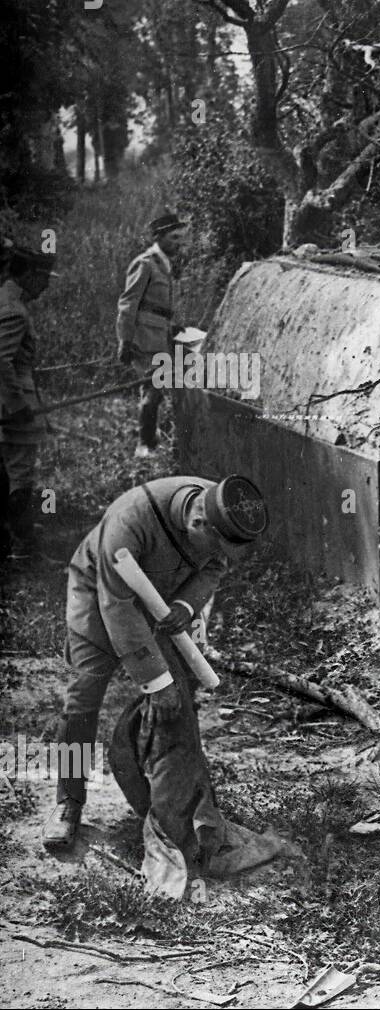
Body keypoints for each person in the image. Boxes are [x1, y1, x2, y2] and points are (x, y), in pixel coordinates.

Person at [42, 474, 268, 851]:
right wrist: (154, 679)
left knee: (180, 698)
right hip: (100, 593)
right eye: (214, 546)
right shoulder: (129, 521)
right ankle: (69, 801)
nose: (220, 556)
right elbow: (118, 607)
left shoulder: (224, 504)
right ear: (197, 523)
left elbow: (214, 566)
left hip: (165, 598)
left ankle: (176, 804)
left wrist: (183, 605)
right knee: (82, 700)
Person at [117, 211, 188, 459]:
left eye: (181, 238)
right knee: (154, 389)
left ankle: (149, 437)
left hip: (159, 334)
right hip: (145, 336)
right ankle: (145, 445)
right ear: (158, 237)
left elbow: (159, 306)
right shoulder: (145, 263)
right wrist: (125, 340)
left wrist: (172, 326)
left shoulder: (165, 264)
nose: (178, 243)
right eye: (173, 237)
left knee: (154, 388)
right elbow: (128, 303)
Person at [0, 245, 56, 562]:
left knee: (6, 472)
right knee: (21, 476)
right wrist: (19, 407)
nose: (46, 285)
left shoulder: (5, 301)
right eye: (44, 277)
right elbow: (2, 362)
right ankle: (24, 546)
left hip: (10, 406)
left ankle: (11, 536)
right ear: (30, 275)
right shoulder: (14, 310)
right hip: (14, 410)